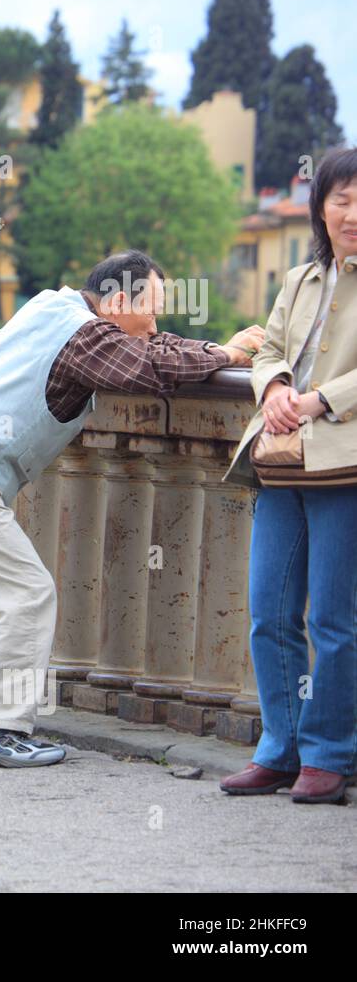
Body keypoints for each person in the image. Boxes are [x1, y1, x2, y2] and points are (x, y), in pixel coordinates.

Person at [0, 250, 265, 767]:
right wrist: (225, 354)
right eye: (149, 311)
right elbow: (151, 365)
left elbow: (150, 345)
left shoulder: (55, 308)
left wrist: (212, 349)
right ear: (114, 302)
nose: (155, 324)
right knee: (24, 596)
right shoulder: (87, 336)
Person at [220, 147, 357, 805]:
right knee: (269, 611)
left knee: (334, 617)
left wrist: (321, 399)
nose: (352, 213)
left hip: (345, 465)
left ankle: (330, 754)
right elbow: (271, 348)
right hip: (281, 458)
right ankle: (280, 748)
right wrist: (274, 384)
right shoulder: (301, 278)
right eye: (342, 199)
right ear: (320, 206)